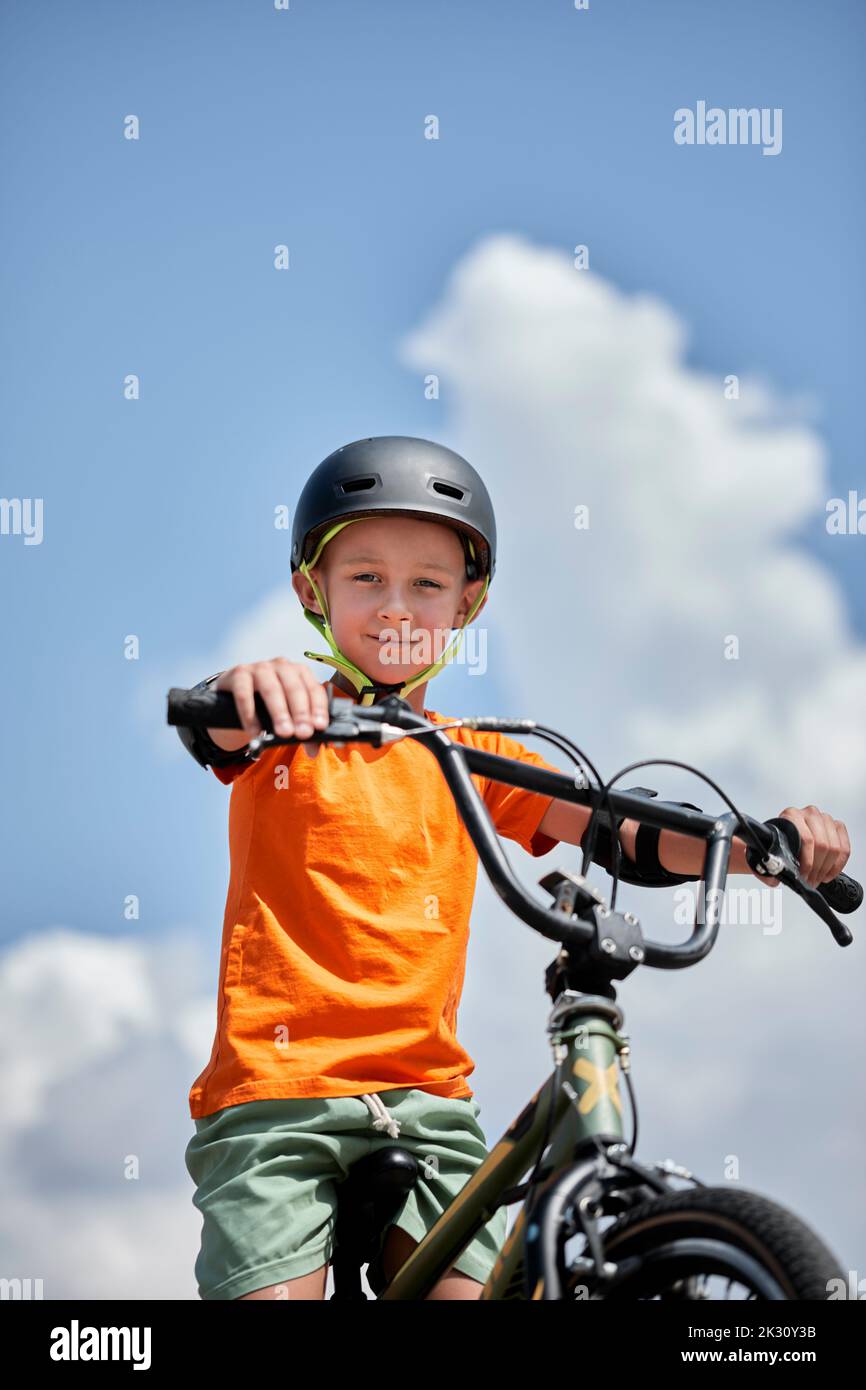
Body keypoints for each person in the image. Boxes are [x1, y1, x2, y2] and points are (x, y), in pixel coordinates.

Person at [179, 435, 851, 1301]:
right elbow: (219, 723)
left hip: (428, 1099)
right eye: (366, 579)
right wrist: (254, 690)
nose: (396, 607)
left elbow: (616, 831)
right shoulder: (285, 729)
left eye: (427, 584)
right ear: (313, 591)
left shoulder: (475, 756)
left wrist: (757, 846)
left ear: (468, 601)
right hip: (278, 1096)